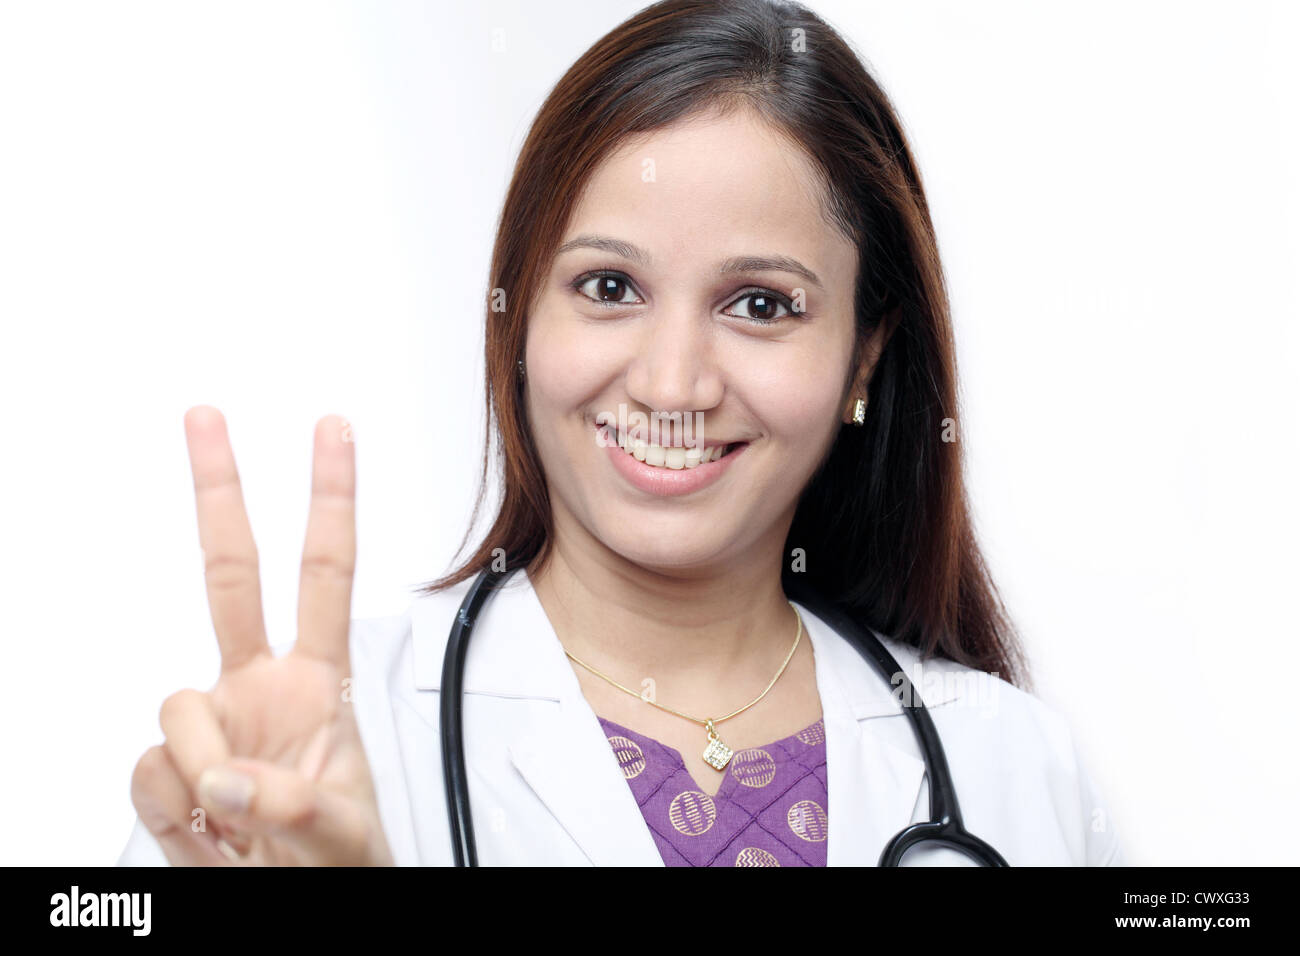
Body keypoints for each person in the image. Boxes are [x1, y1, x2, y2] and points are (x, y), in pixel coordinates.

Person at [117, 0, 1126, 867]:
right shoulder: (317, 750)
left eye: (761, 304)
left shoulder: (1010, 765)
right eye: (608, 286)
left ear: (864, 357)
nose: (670, 380)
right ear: (518, 316)